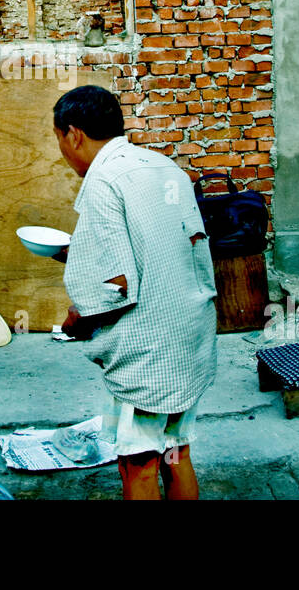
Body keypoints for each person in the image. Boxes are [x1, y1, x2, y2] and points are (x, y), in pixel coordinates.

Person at [51, 85, 217, 499]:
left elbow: (114, 288)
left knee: (138, 462)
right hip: (190, 338)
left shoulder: (103, 179)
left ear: (73, 134)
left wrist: (75, 318)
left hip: (149, 353)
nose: (63, 153)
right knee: (176, 450)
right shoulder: (165, 167)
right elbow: (171, 248)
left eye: (59, 142)